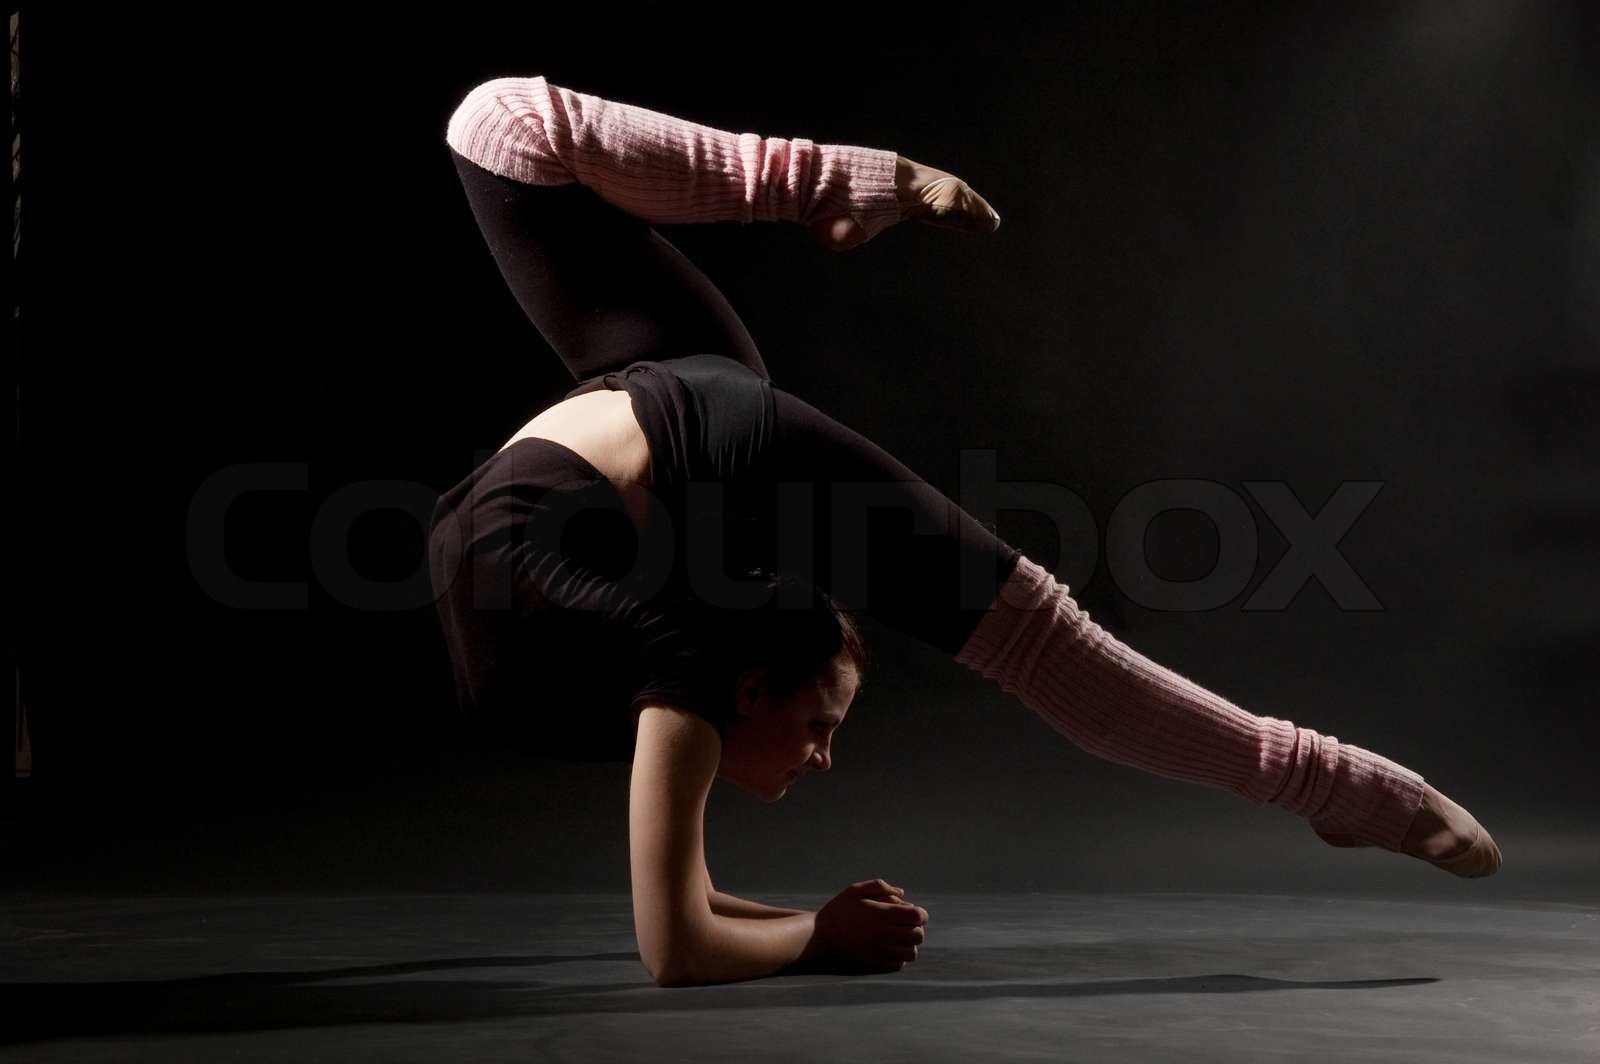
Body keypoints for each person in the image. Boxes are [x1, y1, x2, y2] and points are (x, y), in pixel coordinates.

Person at [427, 75, 1502, 988]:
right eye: (820, 724)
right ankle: (835, 182)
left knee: (1043, 641)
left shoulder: (680, 670)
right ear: (747, 685)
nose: (825, 756)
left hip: (690, 442)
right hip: (647, 435)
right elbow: (681, 926)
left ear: (743, 681)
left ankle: (1344, 787)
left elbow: (679, 930)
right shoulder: (676, 667)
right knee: (500, 125)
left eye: (820, 729)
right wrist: (817, 934)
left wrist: (809, 935)